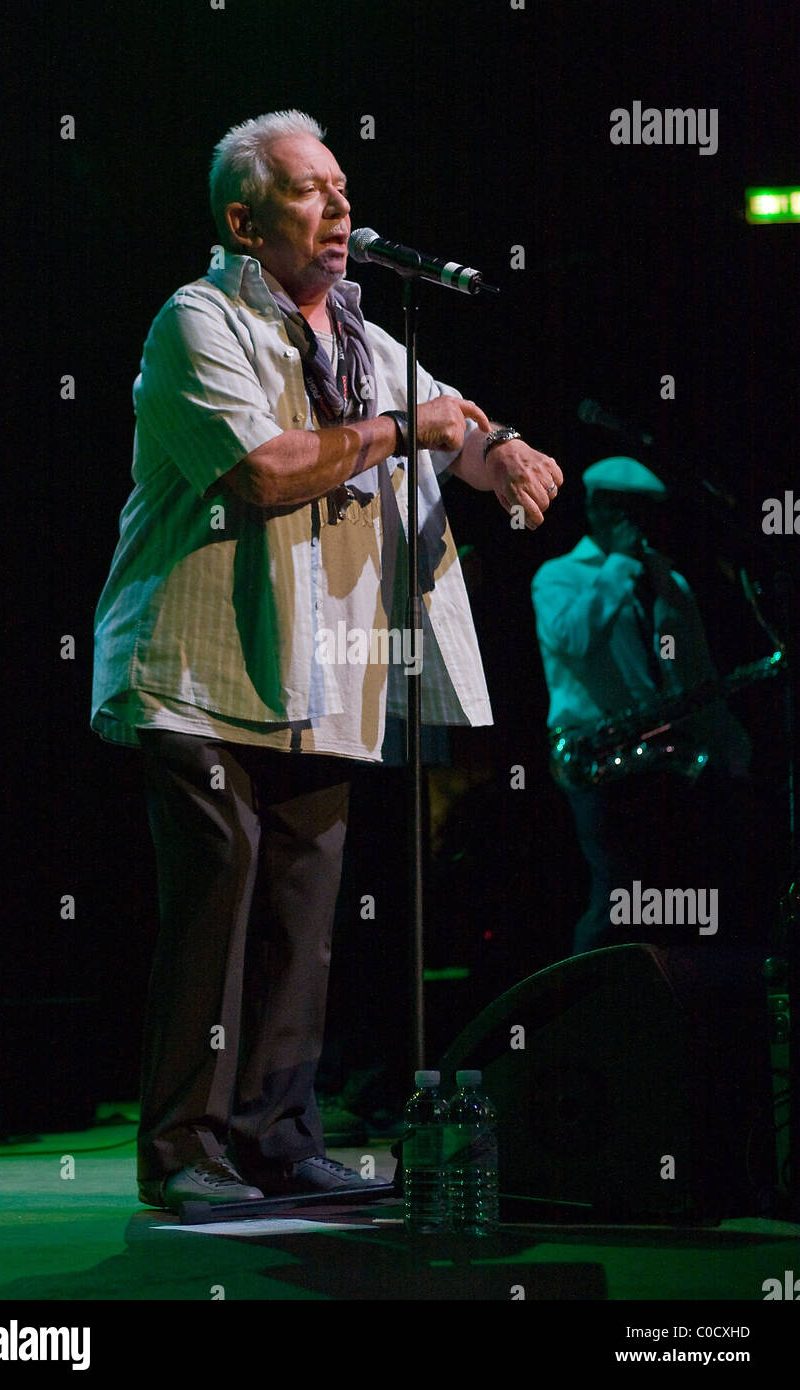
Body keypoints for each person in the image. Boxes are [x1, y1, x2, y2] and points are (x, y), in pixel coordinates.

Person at [91, 110, 563, 1212]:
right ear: (245, 220)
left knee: (302, 922)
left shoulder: (362, 334)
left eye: (344, 187)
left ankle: (276, 1134)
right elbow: (261, 471)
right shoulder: (198, 320)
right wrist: (411, 430)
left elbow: (460, 426)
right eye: (311, 191)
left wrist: (507, 454)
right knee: (219, 902)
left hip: (319, 680)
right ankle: (185, 1151)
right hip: (200, 672)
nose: (341, 207)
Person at [531, 456, 753, 956]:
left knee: (679, 901)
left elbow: (694, 673)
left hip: (665, 755)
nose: (636, 524)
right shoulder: (558, 577)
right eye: (622, 510)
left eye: (642, 512)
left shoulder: (670, 582)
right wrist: (620, 566)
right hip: (599, 758)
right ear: (596, 509)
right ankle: (588, 1009)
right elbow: (577, 639)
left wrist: (728, 741)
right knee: (616, 898)